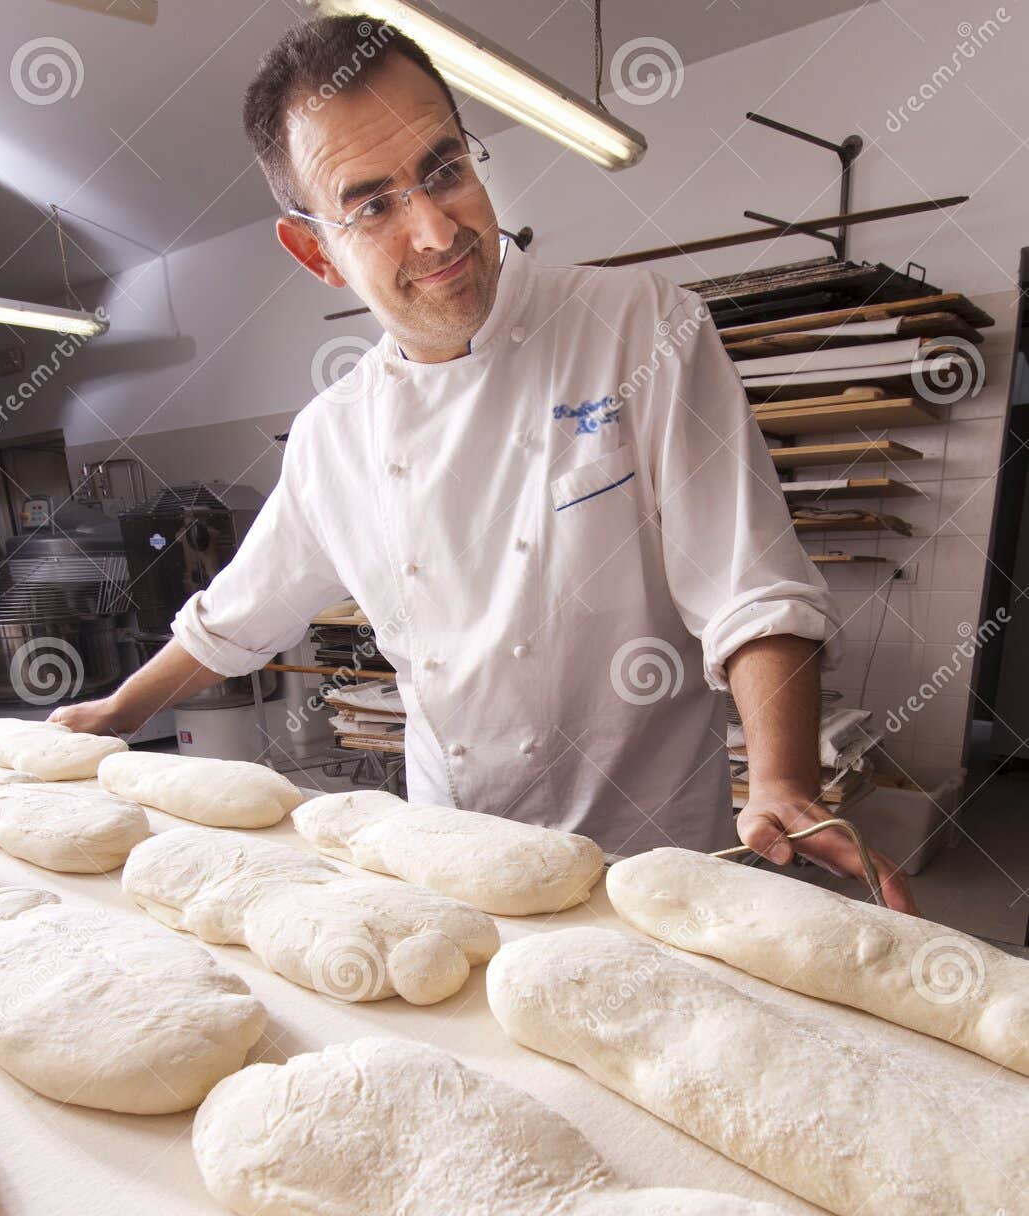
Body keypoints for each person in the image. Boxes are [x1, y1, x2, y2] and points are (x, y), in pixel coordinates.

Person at [51, 11, 913, 910]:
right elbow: (236, 618)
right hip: (452, 865)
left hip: (652, 868)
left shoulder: (639, 327)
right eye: (374, 204)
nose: (435, 230)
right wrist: (118, 713)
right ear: (315, 250)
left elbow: (750, 585)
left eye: (443, 170)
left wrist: (778, 782)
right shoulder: (332, 437)